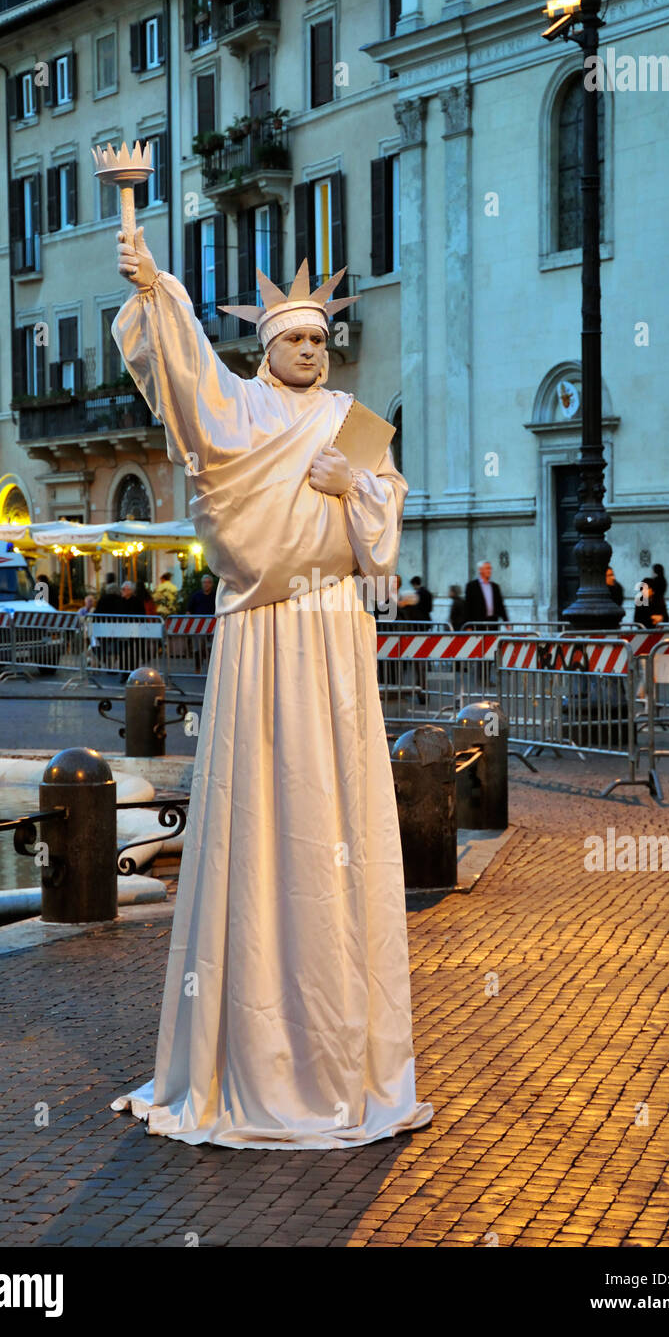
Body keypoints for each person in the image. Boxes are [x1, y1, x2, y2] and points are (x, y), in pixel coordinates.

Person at [109, 226, 433, 1149]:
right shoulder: (241, 410)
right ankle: (253, 1050)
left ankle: (337, 1057)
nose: (309, 350)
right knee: (258, 815)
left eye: (319, 339)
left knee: (336, 812)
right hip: (262, 632)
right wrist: (158, 288)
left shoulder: (356, 421)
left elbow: (386, 531)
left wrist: (354, 483)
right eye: (294, 338)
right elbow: (188, 385)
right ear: (266, 346)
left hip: (333, 628)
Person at [464, 560, 508, 625]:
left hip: (493, 622)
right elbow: (467, 607)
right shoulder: (472, 586)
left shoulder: (495, 587)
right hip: (477, 623)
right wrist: (468, 625)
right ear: (480, 570)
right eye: (487, 568)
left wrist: (506, 622)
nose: (489, 571)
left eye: (490, 568)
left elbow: (500, 606)